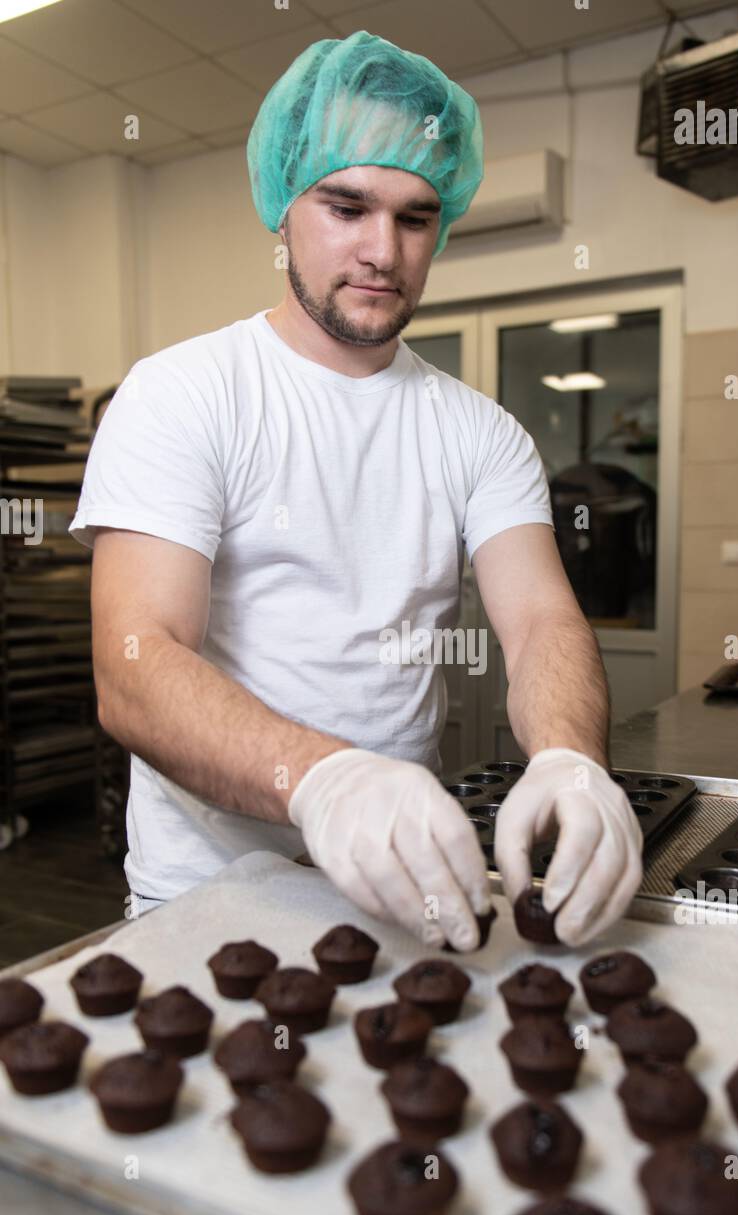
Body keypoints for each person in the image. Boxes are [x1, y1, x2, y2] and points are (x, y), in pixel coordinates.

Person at [70, 31, 642, 950]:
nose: (383, 249)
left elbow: (542, 622)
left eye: (416, 217)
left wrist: (573, 760)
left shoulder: (480, 433)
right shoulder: (184, 394)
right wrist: (326, 780)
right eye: (347, 206)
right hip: (206, 902)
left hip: (403, 887)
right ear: (283, 206)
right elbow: (135, 667)